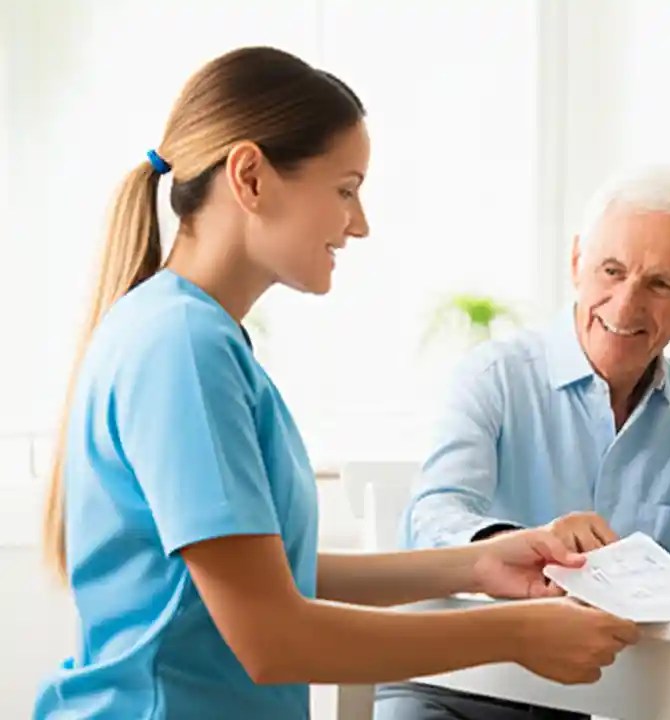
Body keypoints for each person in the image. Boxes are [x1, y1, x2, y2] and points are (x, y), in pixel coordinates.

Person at [35, 46, 637, 720]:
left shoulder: (186, 333)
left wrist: (475, 564)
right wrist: (515, 635)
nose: (360, 223)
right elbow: (271, 636)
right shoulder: (182, 346)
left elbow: (275, 574)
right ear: (251, 178)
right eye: (345, 189)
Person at [376, 166, 670, 720]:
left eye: (660, 284)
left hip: (618, 700)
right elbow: (432, 518)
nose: (625, 304)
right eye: (611, 271)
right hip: (458, 689)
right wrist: (519, 544)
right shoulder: (494, 377)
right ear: (576, 264)